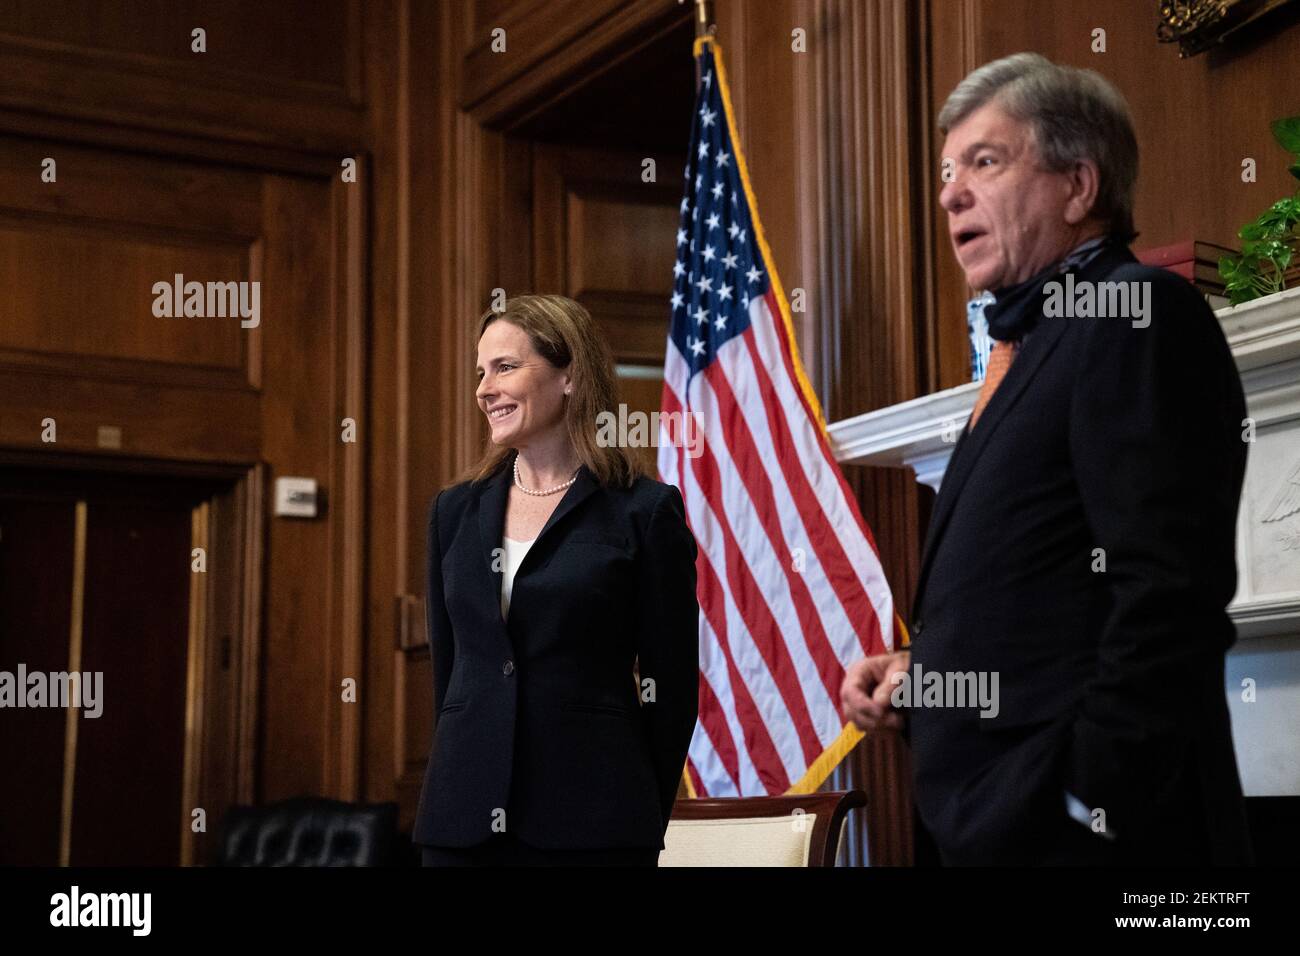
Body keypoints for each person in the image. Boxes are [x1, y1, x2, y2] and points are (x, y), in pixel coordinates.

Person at [841, 53, 1252, 865]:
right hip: (992, 822)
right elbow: (1040, 607)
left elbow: (1170, 594)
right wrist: (922, 677)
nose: (950, 192)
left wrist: (1080, 795)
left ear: (1079, 186)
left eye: (985, 162)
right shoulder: (1032, 350)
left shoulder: (1135, 313)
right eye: (948, 172)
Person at [412, 294, 700, 866]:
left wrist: (637, 809)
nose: (484, 388)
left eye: (504, 367)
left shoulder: (642, 511)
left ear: (570, 375)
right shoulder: (454, 512)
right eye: (480, 372)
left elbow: (671, 689)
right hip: (461, 823)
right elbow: (452, 675)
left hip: (594, 823)